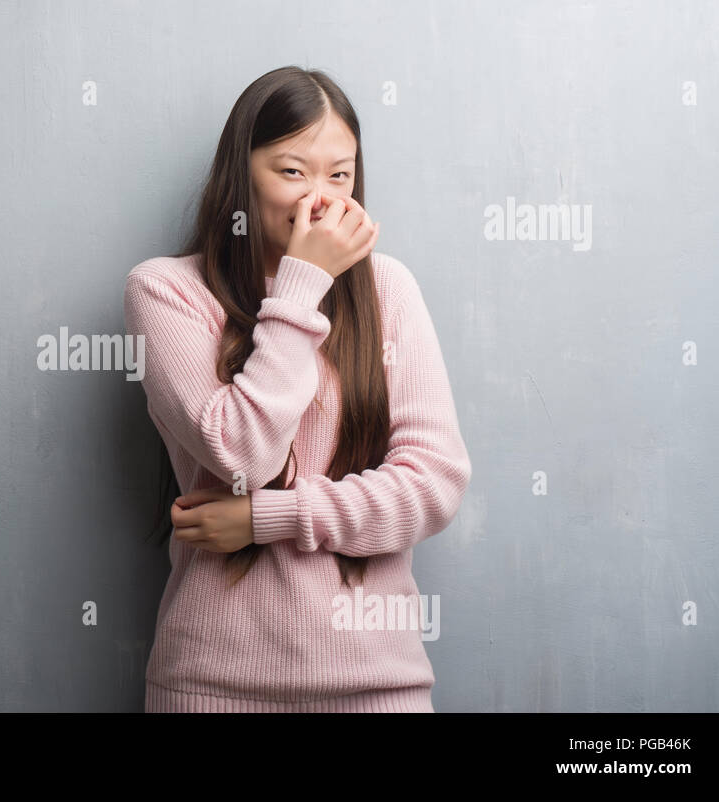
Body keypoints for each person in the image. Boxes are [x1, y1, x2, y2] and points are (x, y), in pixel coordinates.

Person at [123, 66, 472, 712]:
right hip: (213, 686)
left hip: (378, 686)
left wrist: (267, 519)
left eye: (339, 176)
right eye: (291, 172)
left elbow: (434, 484)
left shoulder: (388, 290)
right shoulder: (166, 291)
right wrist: (302, 284)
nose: (320, 199)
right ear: (241, 175)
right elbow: (238, 456)